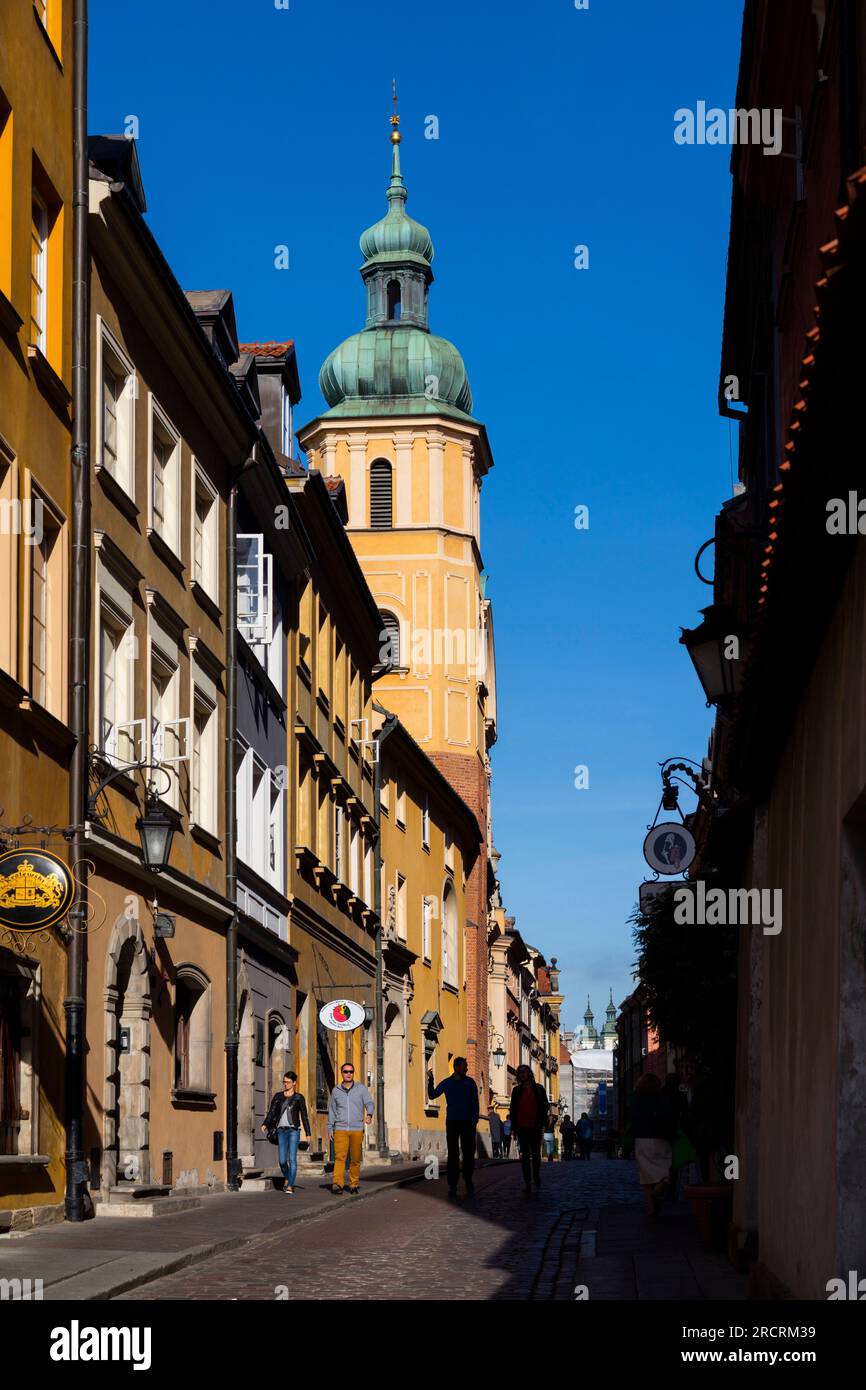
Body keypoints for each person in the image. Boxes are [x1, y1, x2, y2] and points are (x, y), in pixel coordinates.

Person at [428, 1057, 480, 1196]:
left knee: (468, 1153)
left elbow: (475, 1103)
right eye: (465, 1066)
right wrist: (430, 1080)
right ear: (457, 1067)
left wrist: (474, 1121)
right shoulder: (447, 1083)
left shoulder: (470, 1083)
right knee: (453, 1154)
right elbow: (432, 1095)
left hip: (468, 1123)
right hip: (452, 1122)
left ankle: (468, 1179)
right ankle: (453, 1185)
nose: (467, 1068)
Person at [629, 1073, 677, 1215]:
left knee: (646, 1176)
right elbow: (671, 1118)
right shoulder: (663, 1099)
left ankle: (651, 1207)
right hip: (661, 1138)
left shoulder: (636, 1100)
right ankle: (663, 1183)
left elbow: (631, 1118)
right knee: (664, 1167)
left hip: (642, 1139)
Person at [327, 1061, 374, 1194]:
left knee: (355, 1159)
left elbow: (369, 1103)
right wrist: (330, 1127)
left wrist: (369, 1114)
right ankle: (337, 1184)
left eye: (351, 1072)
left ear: (353, 1073)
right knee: (339, 1157)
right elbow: (332, 1110)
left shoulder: (361, 1089)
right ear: (342, 1073)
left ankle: (353, 1184)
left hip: (357, 1129)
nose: (348, 1074)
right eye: (346, 1072)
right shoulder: (336, 1090)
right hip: (340, 1128)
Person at [262, 1070, 311, 1194]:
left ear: (294, 1083)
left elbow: (304, 1116)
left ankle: (290, 1185)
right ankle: (289, 1178)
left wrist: (308, 1133)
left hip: (293, 1131)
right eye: (284, 1082)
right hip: (281, 1131)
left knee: (292, 1159)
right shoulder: (278, 1096)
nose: (286, 1084)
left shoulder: (299, 1098)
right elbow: (272, 1112)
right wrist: (265, 1124)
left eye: (288, 1082)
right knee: (282, 1161)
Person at [509, 1064, 550, 1193]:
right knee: (525, 1155)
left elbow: (545, 1105)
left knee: (536, 1153)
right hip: (522, 1126)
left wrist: (543, 1119)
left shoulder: (539, 1089)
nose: (522, 1074)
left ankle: (536, 1175)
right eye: (520, 1072)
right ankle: (527, 1182)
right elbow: (513, 1109)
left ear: (529, 1073)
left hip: (535, 1125)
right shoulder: (516, 1090)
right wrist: (514, 1127)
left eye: (524, 1072)